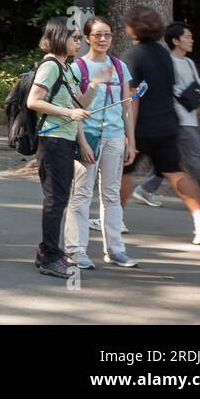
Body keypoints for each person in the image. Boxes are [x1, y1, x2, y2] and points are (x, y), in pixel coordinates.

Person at [119, 5, 200, 246]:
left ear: (132, 28)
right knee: (174, 171)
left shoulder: (131, 57)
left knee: (123, 172)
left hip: (142, 126)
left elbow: (133, 98)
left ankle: (116, 219)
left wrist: (128, 135)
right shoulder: (164, 55)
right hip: (168, 124)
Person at [135, 22, 200, 216]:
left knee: (171, 160)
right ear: (175, 41)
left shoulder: (189, 62)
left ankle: (145, 190)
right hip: (177, 120)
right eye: (187, 37)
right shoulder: (167, 62)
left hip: (187, 118)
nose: (192, 40)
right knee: (198, 159)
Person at [64, 16, 137, 269]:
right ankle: (76, 250)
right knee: (82, 193)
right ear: (87, 38)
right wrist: (82, 141)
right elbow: (77, 108)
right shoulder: (77, 68)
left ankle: (116, 250)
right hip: (89, 135)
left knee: (111, 194)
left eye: (107, 34)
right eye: (97, 35)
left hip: (115, 137)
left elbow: (126, 106)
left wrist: (131, 141)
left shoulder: (119, 66)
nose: (103, 39)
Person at [26, 17, 90, 278]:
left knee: (59, 199)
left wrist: (82, 140)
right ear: (59, 37)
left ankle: (50, 252)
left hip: (64, 139)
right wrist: (67, 113)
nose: (79, 42)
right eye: (74, 37)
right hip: (52, 141)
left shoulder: (66, 67)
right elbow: (34, 101)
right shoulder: (51, 66)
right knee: (55, 200)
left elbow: (79, 107)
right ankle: (48, 255)